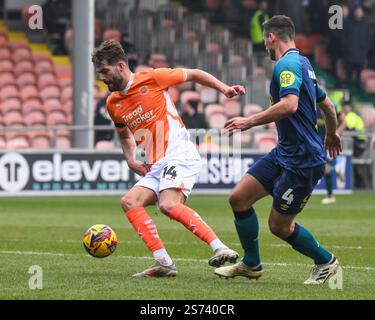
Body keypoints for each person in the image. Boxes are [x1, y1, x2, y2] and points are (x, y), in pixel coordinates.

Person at [91, 40, 244, 277]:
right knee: (129, 202)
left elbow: (193, 74)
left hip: (179, 153)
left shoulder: (152, 78)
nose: (101, 77)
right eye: (99, 72)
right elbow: (123, 135)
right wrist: (131, 159)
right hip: (156, 164)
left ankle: (220, 248)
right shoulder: (113, 103)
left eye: (104, 71)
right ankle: (163, 263)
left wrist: (224, 89)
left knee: (168, 204)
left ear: (121, 66)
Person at [215, 15, 342, 284]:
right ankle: (251, 264)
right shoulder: (304, 64)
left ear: (272, 36)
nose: (265, 45)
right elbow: (328, 106)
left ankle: (326, 261)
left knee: (279, 226)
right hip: (285, 152)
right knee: (239, 198)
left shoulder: (287, 64)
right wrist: (331, 133)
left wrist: (249, 121)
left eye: (264, 40)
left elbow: (290, 105)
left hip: (303, 161)